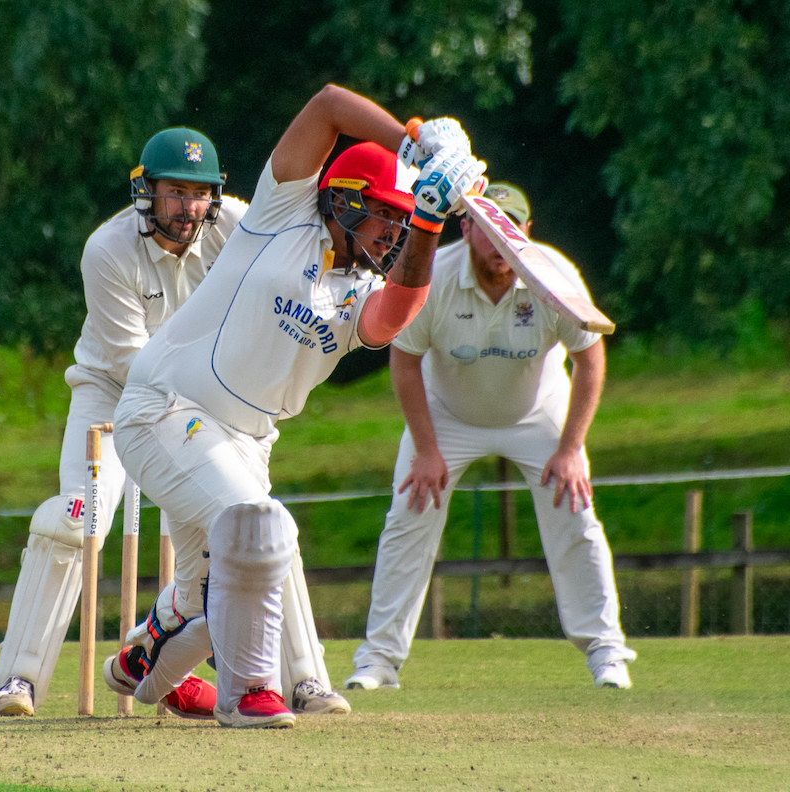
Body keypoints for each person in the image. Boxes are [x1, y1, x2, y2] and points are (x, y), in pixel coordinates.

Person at [103, 83, 487, 728]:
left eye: (403, 224)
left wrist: (428, 219)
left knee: (206, 599)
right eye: (386, 219)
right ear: (345, 200)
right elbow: (329, 106)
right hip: (163, 407)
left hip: (245, 440)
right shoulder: (284, 211)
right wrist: (413, 142)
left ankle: (144, 663)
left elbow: (393, 320)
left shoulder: (366, 286)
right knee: (259, 528)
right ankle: (249, 692)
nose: (394, 237)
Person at [0, 127, 247, 717]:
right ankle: (19, 679)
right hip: (111, 396)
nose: (187, 207)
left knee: (235, 531)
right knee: (75, 521)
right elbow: (136, 365)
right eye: (175, 192)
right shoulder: (107, 248)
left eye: (200, 193)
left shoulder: (235, 225)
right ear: (147, 191)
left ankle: (173, 670)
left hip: (200, 402)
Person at [344, 182, 637, 692]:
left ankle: (606, 651)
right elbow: (405, 359)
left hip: (537, 412)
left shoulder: (554, 275)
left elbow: (589, 357)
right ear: (466, 228)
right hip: (445, 415)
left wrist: (569, 450)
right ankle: (379, 662)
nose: (499, 241)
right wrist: (428, 450)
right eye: (487, 228)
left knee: (576, 513)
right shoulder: (430, 275)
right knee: (407, 518)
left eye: (510, 229)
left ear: (525, 232)